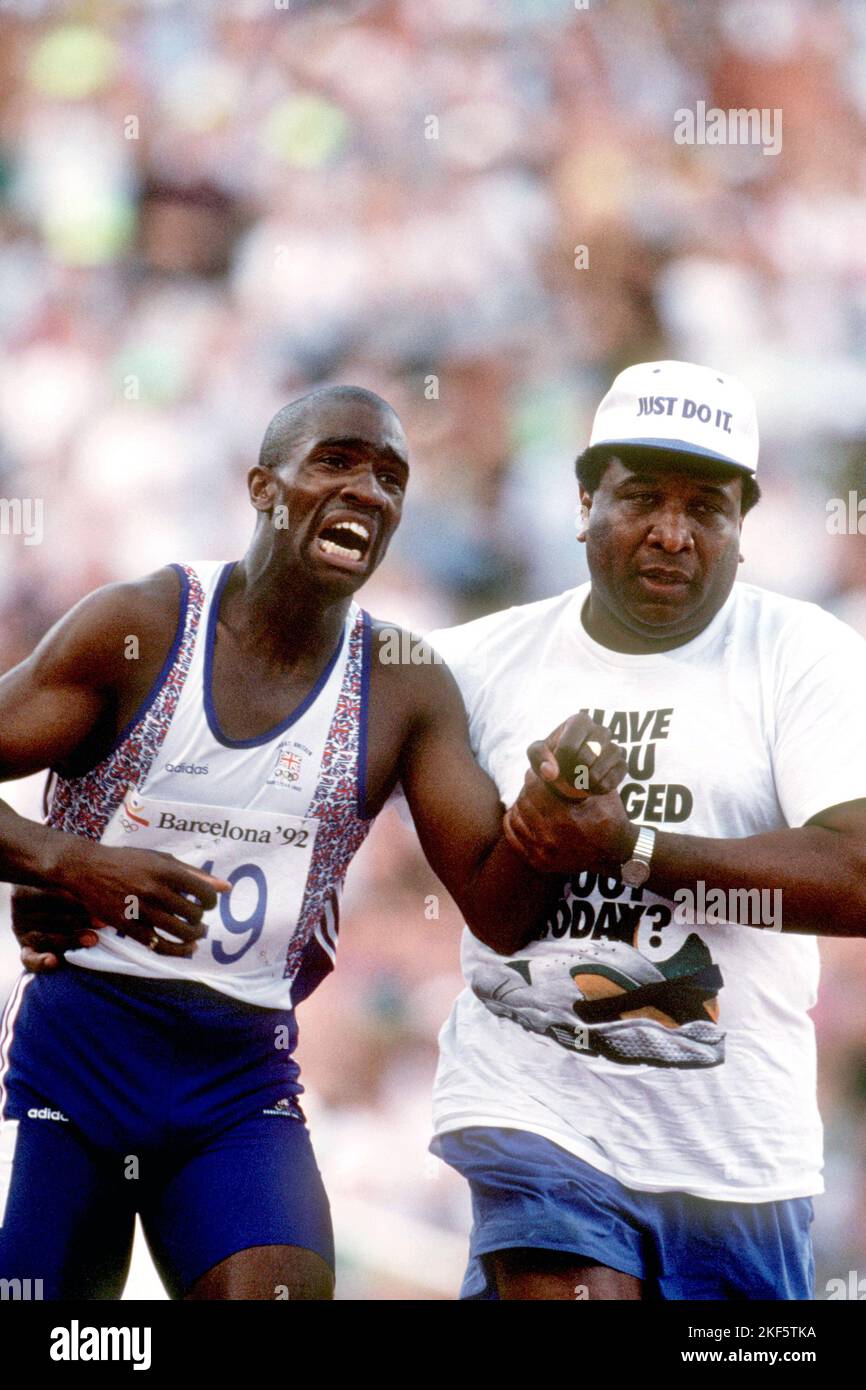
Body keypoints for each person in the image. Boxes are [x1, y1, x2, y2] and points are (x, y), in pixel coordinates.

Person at [0, 384, 618, 1301]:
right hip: (78, 1056)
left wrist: (551, 808)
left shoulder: (404, 685)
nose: (369, 492)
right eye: (337, 462)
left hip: (237, 1077)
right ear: (262, 486)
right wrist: (68, 862)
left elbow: (499, 908)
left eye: (392, 479)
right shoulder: (142, 626)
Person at [426, 360, 866, 1301]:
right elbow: (297, 772)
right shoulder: (472, 664)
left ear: (743, 525)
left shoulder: (806, 658)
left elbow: (859, 874)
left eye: (705, 507)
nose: (670, 534)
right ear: (584, 500)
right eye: (639, 499)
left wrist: (633, 850)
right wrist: (70, 883)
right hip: (534, 1121)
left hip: (738, 1163)